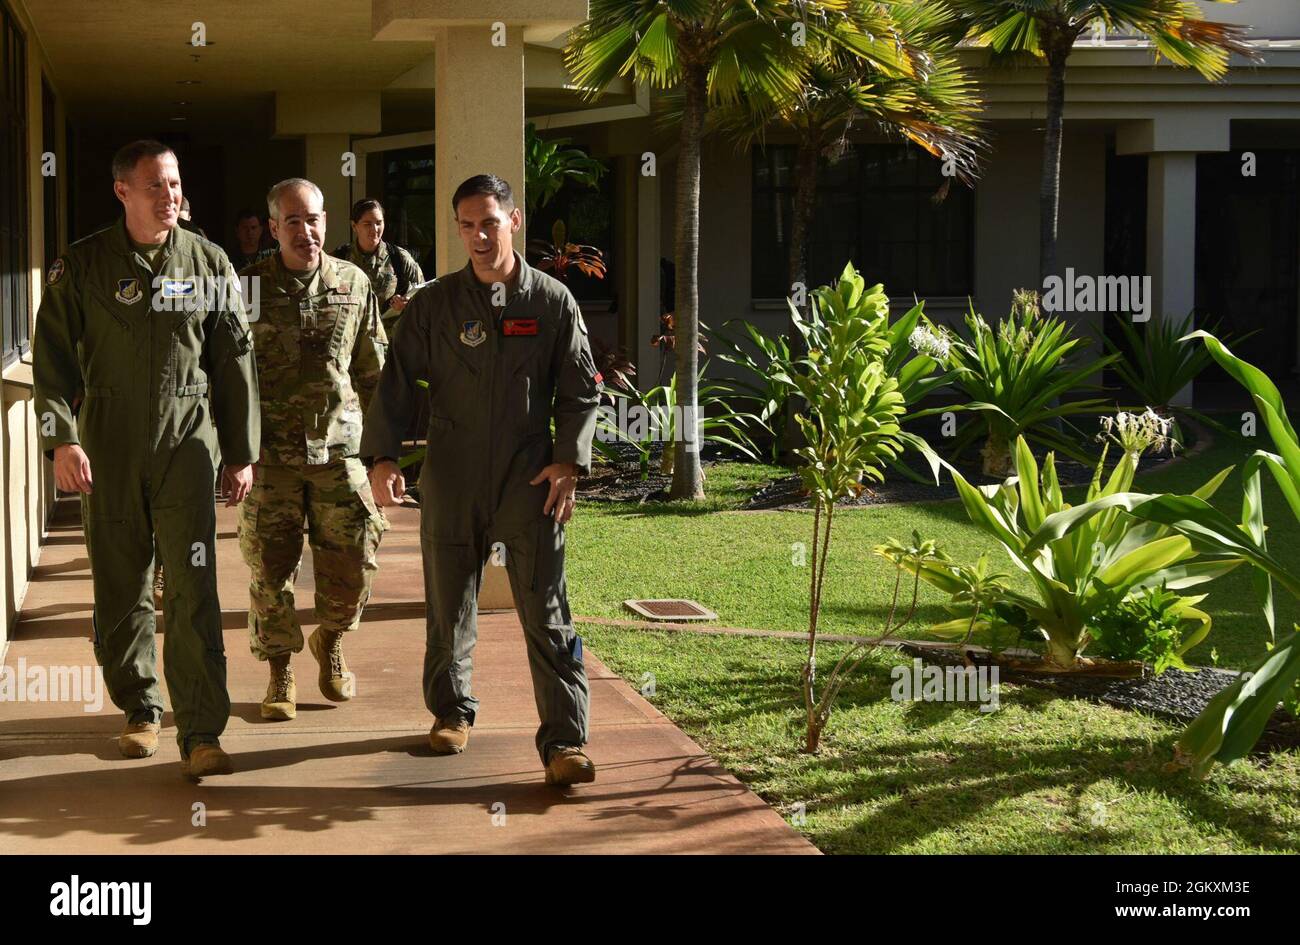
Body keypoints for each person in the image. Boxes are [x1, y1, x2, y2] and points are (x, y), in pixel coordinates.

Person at [361, 174, 602, 787]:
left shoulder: (550, 301)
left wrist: (570, 463)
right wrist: (383, 458)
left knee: (547, 611)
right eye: (466, 225)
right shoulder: (436, 304)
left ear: (513, 221)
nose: (477, 236)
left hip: (529, 478)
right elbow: (395, 381)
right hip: (452, 475)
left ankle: (565, 742)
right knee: (448, 604)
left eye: (489, 222)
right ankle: (450, 712)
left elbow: (580, 388)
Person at [32, 139, 259, 779]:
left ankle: (202, 730)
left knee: (192, 589)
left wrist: (241, 452)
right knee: (121, 582)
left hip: (186, 445)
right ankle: (139, 708)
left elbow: (234, 362)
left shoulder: (210, 263)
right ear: (122, 191)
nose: (171, 196)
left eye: (176, 183)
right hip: (108, 442)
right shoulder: (81, 266)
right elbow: (51, 360)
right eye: (156, 185)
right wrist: (62, 440)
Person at [237, 179, 389, 722]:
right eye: (295, 222)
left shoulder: (354, 281)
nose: (308, 231)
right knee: (270, 572)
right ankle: (280, 668)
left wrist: (383, 452)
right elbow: (226, 376)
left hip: (339, 452)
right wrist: (235, 451)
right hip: (269, 458)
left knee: (352, 563)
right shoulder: (246, 286)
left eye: (316, 219)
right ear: (274, 228)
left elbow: (373, 371)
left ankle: (331, 638)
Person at [331, 198, 423, 334]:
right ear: (354, 226)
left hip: (389, 342)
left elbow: (423, 295)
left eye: (379, 223)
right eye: (367, 224)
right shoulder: (338, 259)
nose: (375, 229)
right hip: (350, 341)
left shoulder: (399, 258)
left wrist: (405, 304)